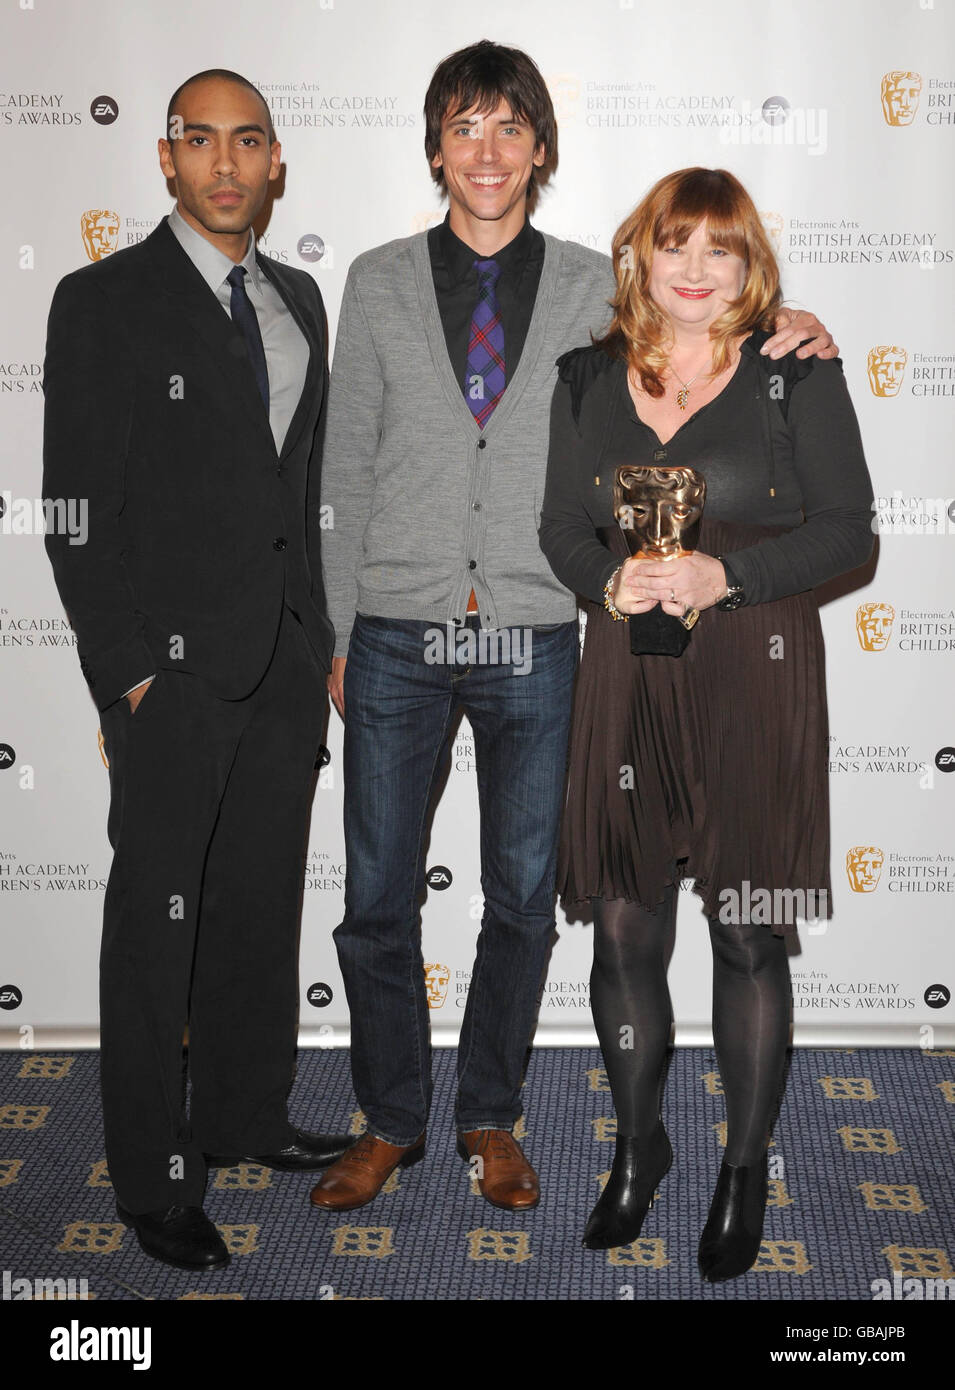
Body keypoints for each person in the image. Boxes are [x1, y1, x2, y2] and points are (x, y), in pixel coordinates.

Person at [315, 43, 838, 1216]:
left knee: (520, 893)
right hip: (398, 625)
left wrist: (792, 320)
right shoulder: (376, 278)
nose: (488, 150)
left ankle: (490, 1116)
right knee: (376, 896)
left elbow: (705, 307)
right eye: (465, 126)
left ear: (541, 148)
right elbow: (342, 470)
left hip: (543, 630)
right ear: (436, 145)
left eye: (511, 127)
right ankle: (393, 1117)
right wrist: (339, 630)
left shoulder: (590, 283)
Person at [539, 167, 874, 1278]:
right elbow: (557, 526)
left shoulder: (793, 373)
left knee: (746, 929)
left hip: (753, 672)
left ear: (749, 266)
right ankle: (638, 1149)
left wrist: (723, 575)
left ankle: (743, 1163)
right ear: (640, 252)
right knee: (627, 928)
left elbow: (848, 534)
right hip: (626, 676)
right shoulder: (585, 374)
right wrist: (605, 583)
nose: (693, 270)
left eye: (718, 251)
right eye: (673, 245)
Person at [42, 69, 350, 1272]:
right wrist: (128, 675)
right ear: (164, 161)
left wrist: (316, 644)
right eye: (201, 141)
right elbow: (76, 505)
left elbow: (302, 493)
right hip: (167, 674)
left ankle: (241, 1114)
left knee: (256, 905)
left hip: (279, 666)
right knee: (153, 927)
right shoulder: (101, 299)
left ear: (277, 164)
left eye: (249, 141)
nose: (226, 163)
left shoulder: (301, 299)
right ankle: (154, 1179)